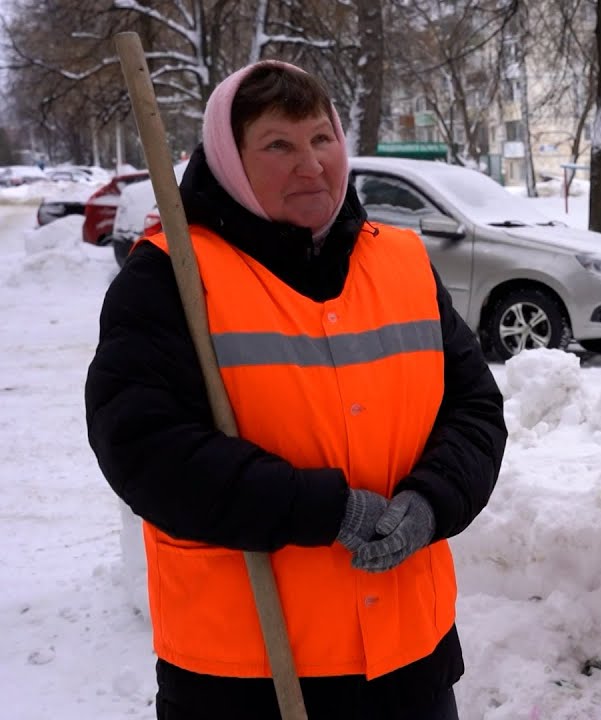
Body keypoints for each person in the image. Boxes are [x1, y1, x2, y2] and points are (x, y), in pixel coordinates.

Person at [85, 60, 507, 720]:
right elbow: (142, 447)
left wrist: (433, 501)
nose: (310, 164)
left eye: (321, 138)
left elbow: (475, 409)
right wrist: (318, 509)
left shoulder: (398, 263)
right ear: (229, 162)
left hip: (407, 662)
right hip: (246, 672)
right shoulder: (172, 278)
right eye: (278, 144)